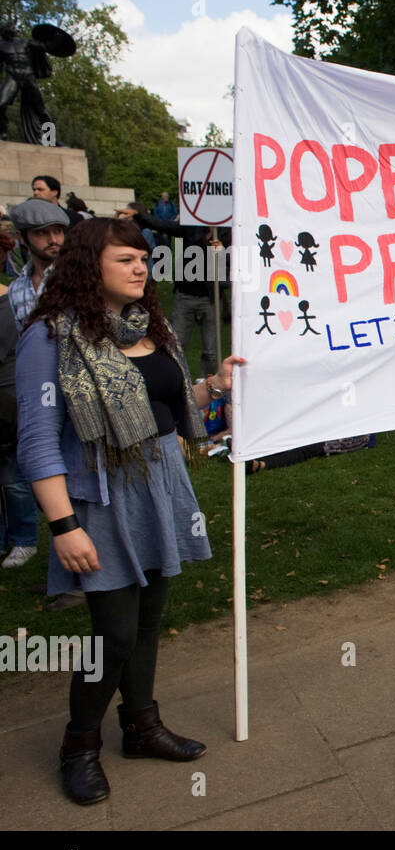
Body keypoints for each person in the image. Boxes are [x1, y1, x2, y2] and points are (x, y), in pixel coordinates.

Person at [16, 217, 244, 806]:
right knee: (113, 635)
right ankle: (79, 746)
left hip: (161, 486)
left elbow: (162, 405)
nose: (141, 268)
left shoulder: (151, 326)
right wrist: (63, 526)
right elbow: (38, 441)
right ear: (89, 266)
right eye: (126, 259)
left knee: (147, 622)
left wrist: (211, 387)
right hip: (99, 496)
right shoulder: (51, 337)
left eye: (143, 258)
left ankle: (141, 727)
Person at [0, 198, 70, 569]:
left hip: (77, 389)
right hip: (36, 392)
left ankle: (82, 573)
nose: (53, 239)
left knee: (76, 479)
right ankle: (63, 565)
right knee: (41, 472)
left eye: (58, 231)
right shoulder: (17, 290)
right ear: (25, 237)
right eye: (43, 233)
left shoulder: (78, 279)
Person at [118, 202, 222, 378]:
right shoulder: (190, 228)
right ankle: (175, 381)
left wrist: (221, 250)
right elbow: (163, 225)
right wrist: (138, 214)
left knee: (211, 350)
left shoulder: (225, 233)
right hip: (186, 296)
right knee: (175, 344)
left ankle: (211, 387)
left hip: (209, 299)